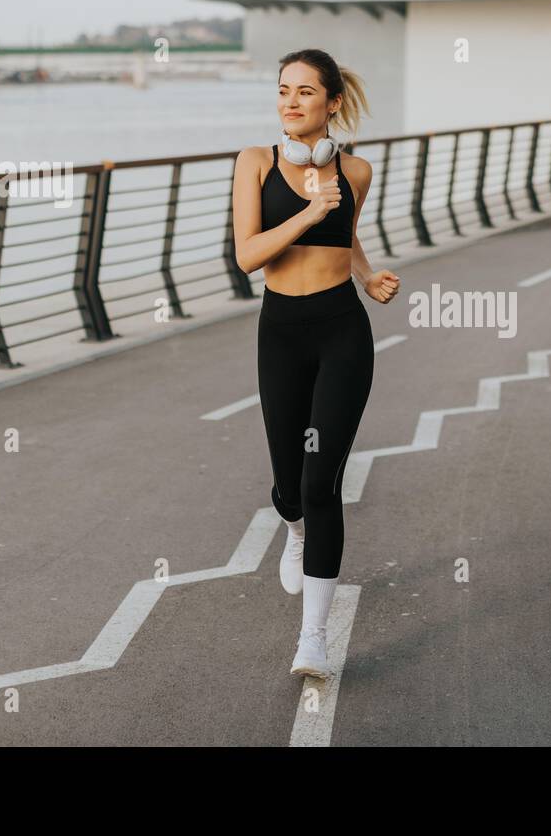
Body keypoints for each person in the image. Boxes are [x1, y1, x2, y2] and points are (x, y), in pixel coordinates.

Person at [231, 49, 399, 678]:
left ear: (332, 103)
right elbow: (248, 255)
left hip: (341, 333)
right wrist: (307, 210)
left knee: (321, 483)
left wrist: (367, 273)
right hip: (281, 333)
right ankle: (291, 527)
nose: (291, 101)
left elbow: (345, 232)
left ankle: (313, 640)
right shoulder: (254, 163)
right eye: (283, 90)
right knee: (287, 486)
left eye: (306, 92)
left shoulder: (354, 171)